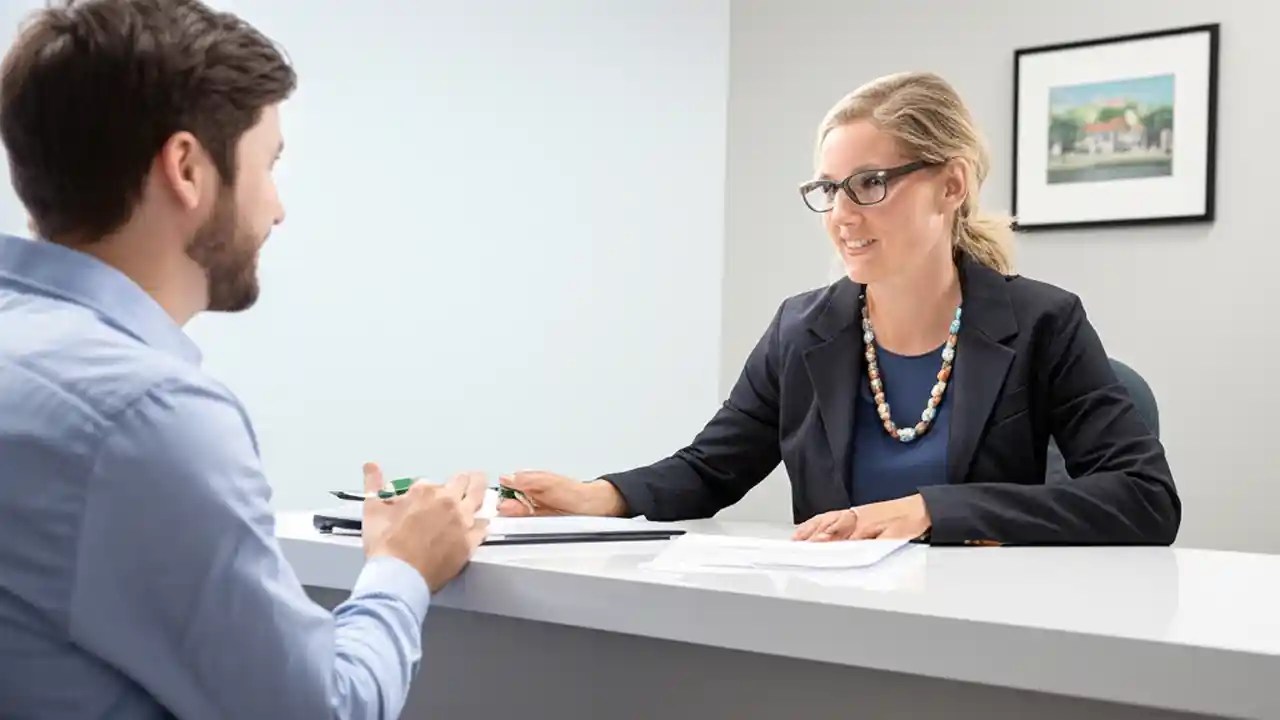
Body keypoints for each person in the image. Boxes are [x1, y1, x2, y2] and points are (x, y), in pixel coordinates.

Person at [0, 1, 487, 717]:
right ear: (188, 169)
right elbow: (324, 710)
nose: (277, 209)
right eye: (270, 165)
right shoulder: (146, 416)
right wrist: (402, 569)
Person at [498, 71, 1180, 546]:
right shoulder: (803, 330)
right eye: (830, 189)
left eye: (870, 184)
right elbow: (709, 470)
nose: (843, 215)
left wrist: (930, 512)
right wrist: (600, 498)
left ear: (951, 185)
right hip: (840, 630)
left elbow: (1144, 499)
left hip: (988, 636)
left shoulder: (1043, 324)